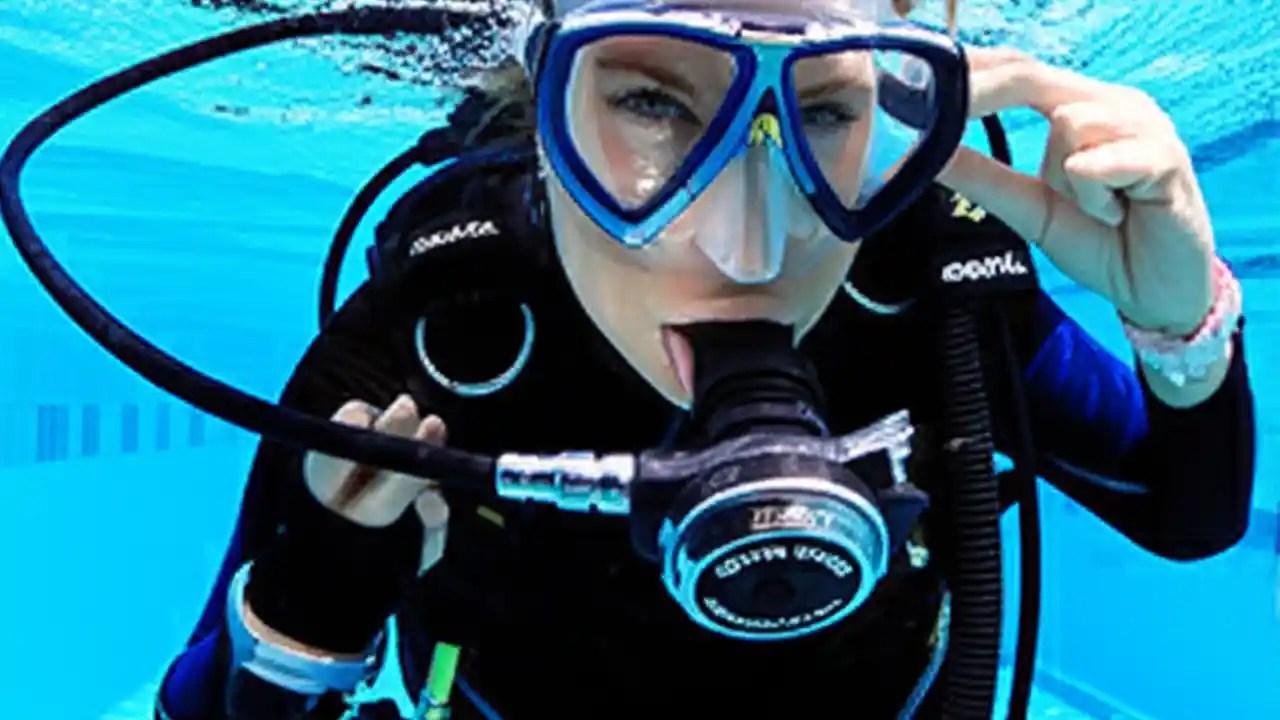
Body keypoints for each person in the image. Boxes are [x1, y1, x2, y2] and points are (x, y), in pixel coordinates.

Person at [155, 0, 1256, 718]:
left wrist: (1176, 322)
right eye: (648, 102)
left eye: (823, 110)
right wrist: (322, 587)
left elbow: (1187, 516)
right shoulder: (449, 336)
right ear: (540, 110)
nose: (750, 243)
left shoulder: (922, 279)